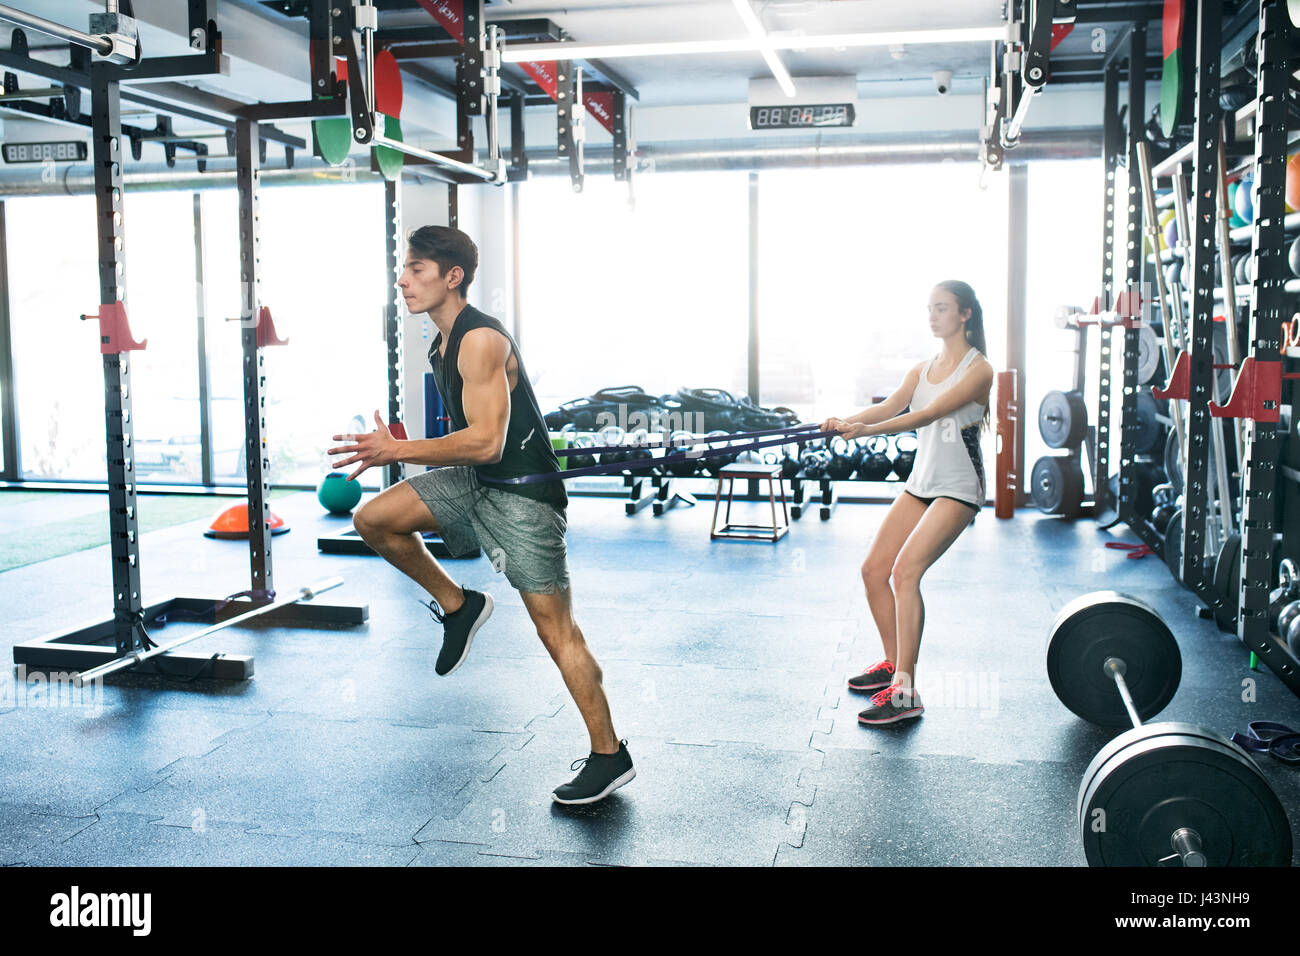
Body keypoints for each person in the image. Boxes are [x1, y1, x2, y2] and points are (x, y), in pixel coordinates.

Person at [327, 225, 634, 804]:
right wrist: (401, 447)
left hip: (523, 498)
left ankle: (609, 755)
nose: (403, 280)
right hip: (477, 483)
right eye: (404, 269)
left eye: (416, 269)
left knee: (557, 633)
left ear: (452, 277)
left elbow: (488, 442)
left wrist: (397, 448)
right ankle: (460, 604)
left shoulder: (481, 341)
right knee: (373, 520)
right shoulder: (440, 344)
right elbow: (473, 448)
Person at [820, 280, 994, 726]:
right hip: (924, 483)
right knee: (874, 570)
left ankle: (904, 693)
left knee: (905, 573)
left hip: (959, 488)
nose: (933, 315)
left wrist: (863, 433)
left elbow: (923, 416)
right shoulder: (922, 369)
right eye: (930, 308)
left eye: (942, 308)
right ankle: (892, 663)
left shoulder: (980, 370)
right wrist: (845, 420)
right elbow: (892, 405)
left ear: (965, 315)